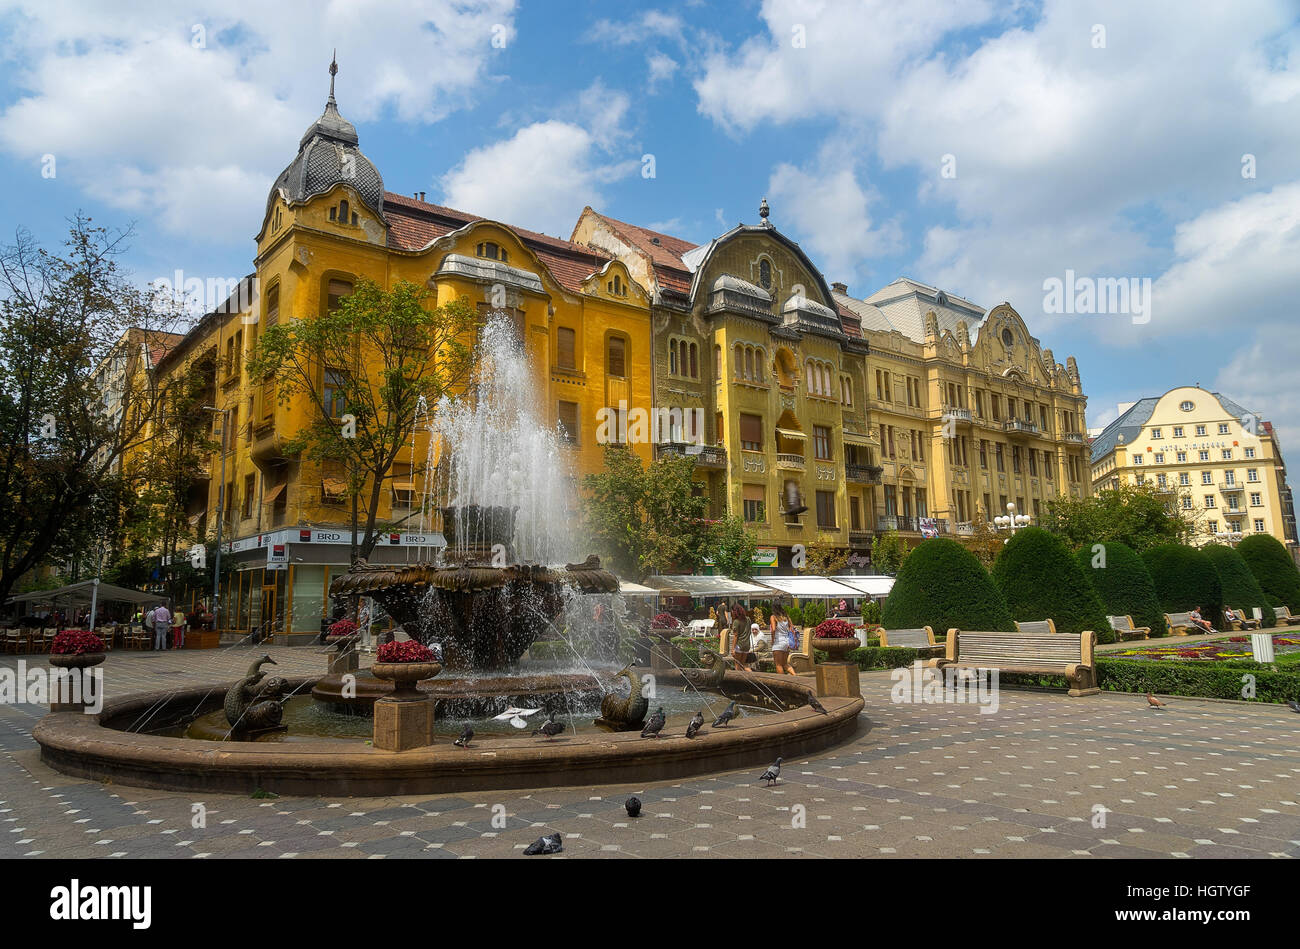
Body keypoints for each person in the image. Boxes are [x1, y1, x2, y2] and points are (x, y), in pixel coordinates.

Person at [770, 603, 798, 675]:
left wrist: (772, 640)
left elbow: (773, 629)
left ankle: (782, 683)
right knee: (785, 664)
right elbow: (792, 628)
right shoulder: (786, 617)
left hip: (778, 642)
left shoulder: (773, 617)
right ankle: (795, 676)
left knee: (778, 665)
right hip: (787, 642)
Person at [729, 603, 754, 672]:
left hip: (739, 645)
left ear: (735, 611)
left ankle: (738, 681)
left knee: (737, 665)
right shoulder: (748, 619)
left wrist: (733, 649)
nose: (731, 613)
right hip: (747, 645)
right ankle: (752, 676)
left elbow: (736, 636)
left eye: (732, 611)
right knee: (743, 665)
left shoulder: (736, 622)